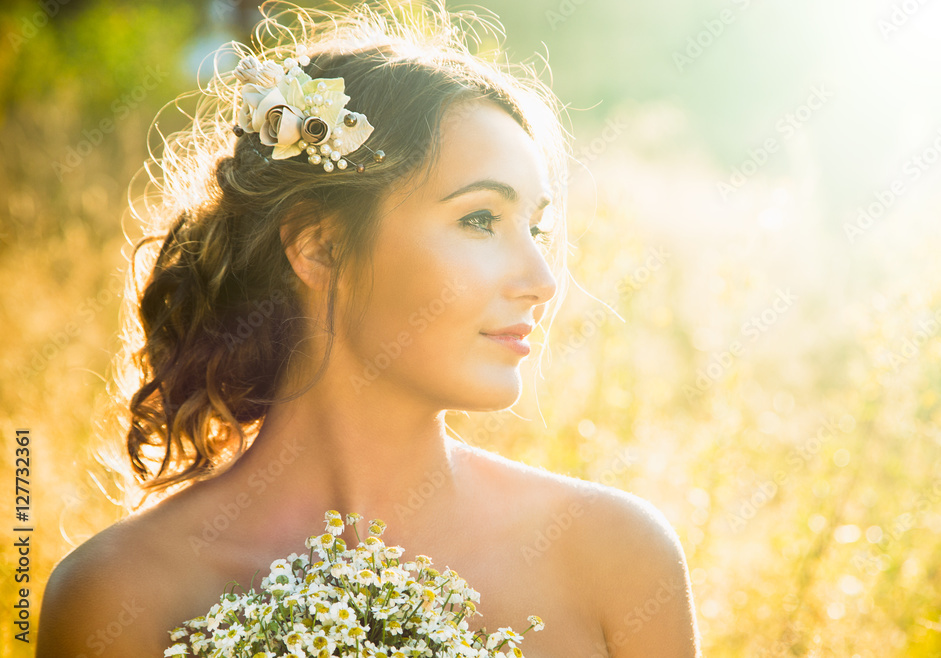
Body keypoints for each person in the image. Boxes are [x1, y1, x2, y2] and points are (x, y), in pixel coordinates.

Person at [37, 1, 700, 656]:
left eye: (536, 229)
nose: (542, 280)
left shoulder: (616, 559)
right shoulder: (119, 597)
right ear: (319, 246)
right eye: (480, 220)